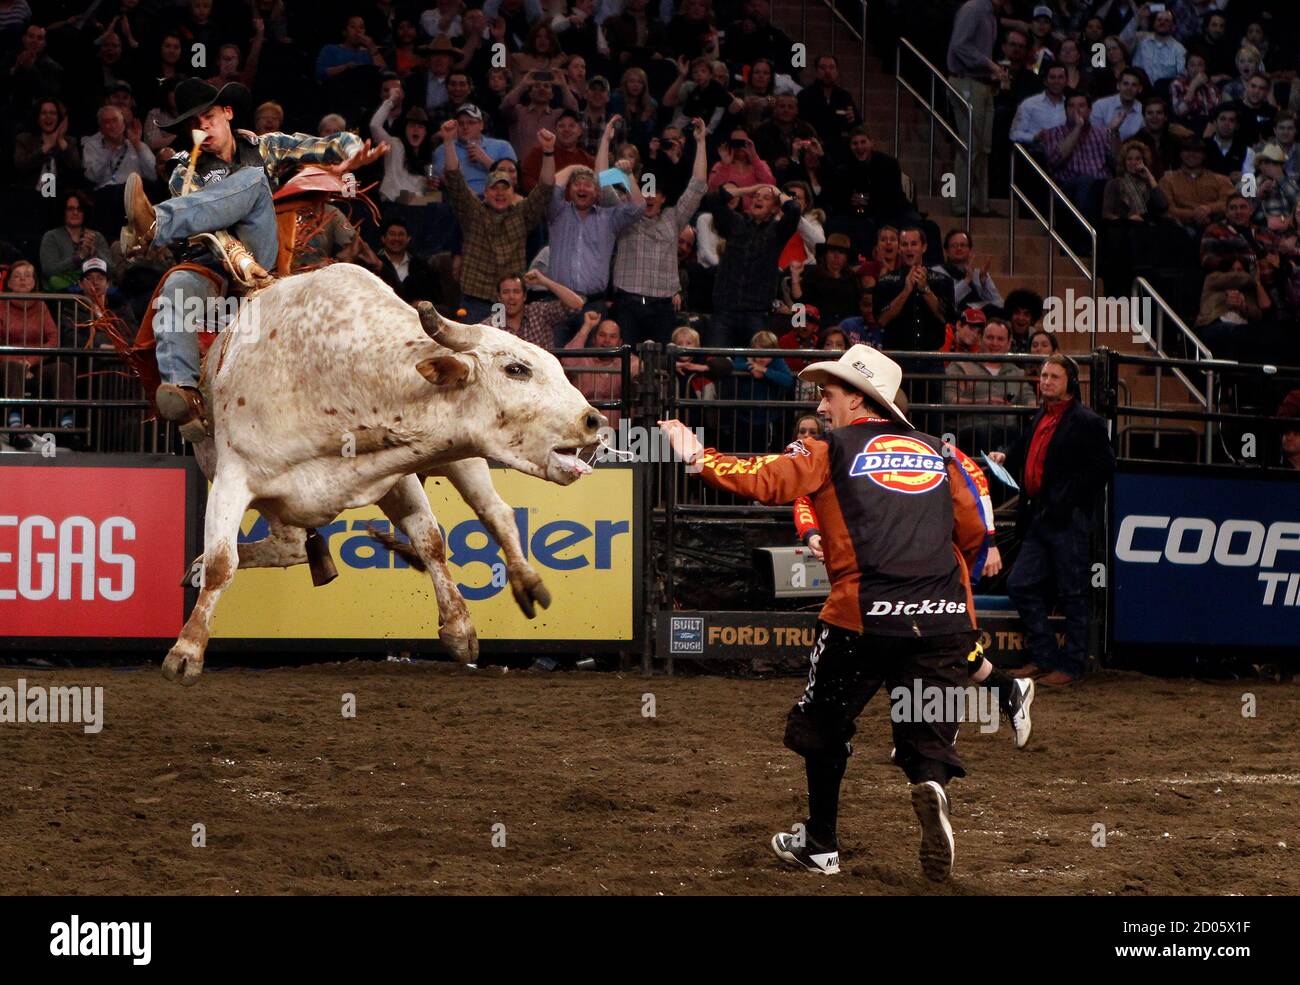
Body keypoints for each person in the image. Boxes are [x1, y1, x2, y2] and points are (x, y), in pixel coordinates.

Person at [658, 345, 1009, 881]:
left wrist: (695, 454)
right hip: (942, 617)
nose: (822, 405)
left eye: (829, 393)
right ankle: (932, 783)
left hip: (862, 614)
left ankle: (821, 844)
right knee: (927, 728)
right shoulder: (942, 452)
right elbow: (974, 528)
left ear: (860, 399)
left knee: (823, 724)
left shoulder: (828, 448)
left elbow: (765, 478)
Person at [119, 78, 385, 439]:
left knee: (254, 182)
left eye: (209, 117)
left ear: (228, 113)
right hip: (213, 259)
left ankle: (154, 224)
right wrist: (239, 262)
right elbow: (210, 229)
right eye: (194, 124)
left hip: (265, 253)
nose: (203, 127)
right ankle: (184, 395)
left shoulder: (267, 147)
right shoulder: (185, 169)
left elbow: (327, 145)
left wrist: (352, 151)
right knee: (177, 286)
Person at [990, 354, 1116, 686]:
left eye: (1054, 377)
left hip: (1066, 518)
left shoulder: (1086, 421)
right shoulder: (1042, 415)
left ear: (1069, 383)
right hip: (1040, 515)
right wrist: (1006, 456)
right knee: (1020, 584)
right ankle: (1045, 658)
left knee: (1072, 591)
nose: (1046, 381)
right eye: (1044, 375)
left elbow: (1104, 466)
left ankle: (1071, 665)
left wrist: (1067, 500)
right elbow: (1026, 448)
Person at [440, 119, 556, 323]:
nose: (500, 193)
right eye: (494, 188)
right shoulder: (472, 211)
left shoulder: (523, 212)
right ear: (485, 192)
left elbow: (545, 187)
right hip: (474, 299)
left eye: (505, 188)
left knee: (501, 353)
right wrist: (449, 141)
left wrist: (548, 152)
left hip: (507, 302)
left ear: (514, 192)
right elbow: (455, 179)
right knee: (469, 351)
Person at [609, 117, 709, 345]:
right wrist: (607, 141)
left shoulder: (674, 217)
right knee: (627, 363)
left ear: (664, 198)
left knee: (664, 364)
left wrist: (701, 142)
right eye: (645, 191)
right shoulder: (623, 215)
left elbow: (699, 184)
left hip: (663, 305)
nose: (650, 197)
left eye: (655, 192)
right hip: (628, 302)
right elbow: (600, 180)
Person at [702, 182, 801, 346]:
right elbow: (713, 200)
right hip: (725, 310)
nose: (759, 199)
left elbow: (794, 210)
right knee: (715, 359)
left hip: (757, 313)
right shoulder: (735, 223)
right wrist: (747, 189)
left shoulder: (778, 231)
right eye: (756, 196)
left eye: (766, 198)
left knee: (760, 362)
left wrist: (778, 193)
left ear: (775, 209)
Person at [946, 0, 1011, 216]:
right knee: (970, 146)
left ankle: (980, 203)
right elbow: (960, 45)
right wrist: (989, 64)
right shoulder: (974, 8)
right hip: (966, 82)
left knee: (983, 148)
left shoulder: (991, 13)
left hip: (982, 83)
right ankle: (962, 204)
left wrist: (991, 71)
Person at [1, 259, 73, 443]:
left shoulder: (40, 305)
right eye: (17, 276)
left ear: (34, 282)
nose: (23, 280)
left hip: (34, 365)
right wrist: (18, 363)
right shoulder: (1, 304)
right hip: (6, 365)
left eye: (27, 276)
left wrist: (30, 362)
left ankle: (66, 425)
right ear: (8, 283)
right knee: (12, 368)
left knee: (61, 367)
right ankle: (15, 425)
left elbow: (53, 338)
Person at [39, 191, 113, 292]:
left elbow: (112, 269)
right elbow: (49, 270)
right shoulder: (51, 237)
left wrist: (94, 252)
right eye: (70, 209)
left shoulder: (97, 237)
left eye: (80, 209)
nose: (75, 213)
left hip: (95, 290)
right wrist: (79, 258)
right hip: (62, 293)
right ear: (63, 212)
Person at [493, 269, 585, 347]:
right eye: (506, 292)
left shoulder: (539, 311)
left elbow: (577, 304)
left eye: (516, 292)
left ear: (524, 296)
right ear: (499, 297)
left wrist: (544, 281)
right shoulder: (491, 326)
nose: (511, 297)